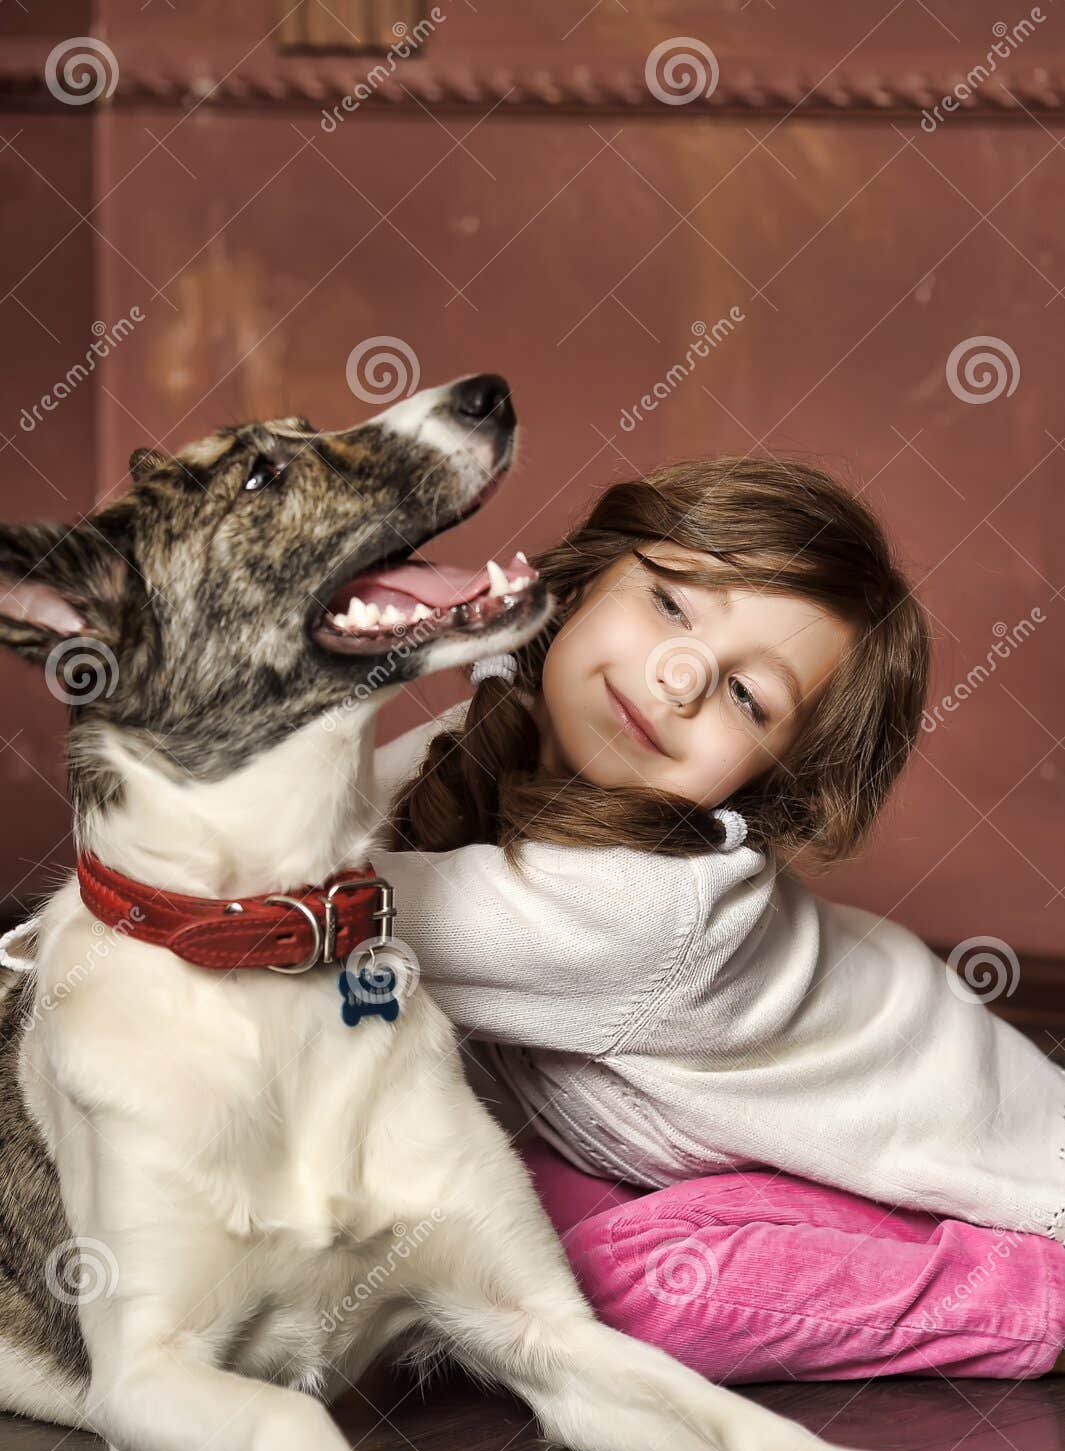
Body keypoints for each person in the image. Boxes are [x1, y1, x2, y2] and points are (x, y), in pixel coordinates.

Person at [367, 453, 1065, 1383]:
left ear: (771, 780)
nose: (679, 677)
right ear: (580, 582)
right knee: (451, 1217)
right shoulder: (485, 741)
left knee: (616, 1296)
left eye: (747, 696)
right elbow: (320, 838)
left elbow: (302, 904)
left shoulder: (658, 909)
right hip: (720, 1155)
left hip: (986, 1192)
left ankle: (1037, 1303)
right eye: (669, 603)